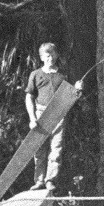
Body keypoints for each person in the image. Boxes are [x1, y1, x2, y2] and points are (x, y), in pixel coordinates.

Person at [25, 42, 71, 191]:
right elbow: (29, 97)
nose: (50, 57)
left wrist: (77, 88)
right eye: (47, 55)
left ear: (57, 55)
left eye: (52, 54)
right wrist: (32, 119)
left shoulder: (62, 74)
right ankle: (39, 181)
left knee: (56, 148)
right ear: (42, 57)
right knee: (39, 149)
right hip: (40, 114)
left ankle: (50, 180)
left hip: (58, 113)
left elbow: (71, 94)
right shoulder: (36, 75)